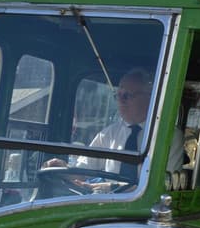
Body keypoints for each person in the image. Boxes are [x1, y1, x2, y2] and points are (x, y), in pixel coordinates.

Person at [47, 68, 183, 185]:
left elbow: (163, 186)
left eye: (127, 95)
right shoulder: (109, 134)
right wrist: (62, 168)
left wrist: (110, 188)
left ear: (150, 97)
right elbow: (83, 171)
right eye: (118, 95)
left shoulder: (169, 137)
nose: (120, 101)